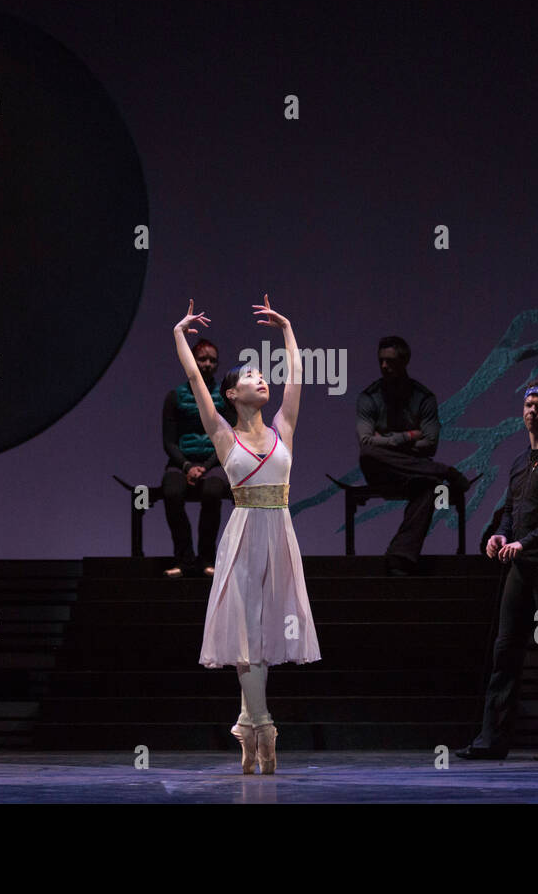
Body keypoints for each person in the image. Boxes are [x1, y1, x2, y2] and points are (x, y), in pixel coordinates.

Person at [173, 295, 320, 774]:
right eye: (251, 376)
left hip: (279, 532)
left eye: (263, 375)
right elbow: (196, 379)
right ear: (232, 394)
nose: (263, 379)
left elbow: (296, 376)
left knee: (266, 633)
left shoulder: (284, 427)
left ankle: (245, 723)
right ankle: (263, 725)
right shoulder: (221, 434)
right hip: (241, 536)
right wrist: (180, 333)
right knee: (244, 634)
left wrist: (288, 329)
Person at [456, 382, 538, 761]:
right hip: (522, 568)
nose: (532, 411)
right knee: (505, 650)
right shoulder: (519, 463)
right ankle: (491, 739)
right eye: (528, 405)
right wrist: (500, 534)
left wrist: (526, 542)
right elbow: (513, 511)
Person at [356, 336, 469, 576]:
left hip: (415, 473)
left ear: (404, 361)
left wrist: (386, 441)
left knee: (429, 488)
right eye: (381, 362)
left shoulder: (423, 398)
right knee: (368, 454)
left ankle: (400, 556)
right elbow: (366, 442)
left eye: (391, 361)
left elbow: (430, 445)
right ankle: (446, 471)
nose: (384, 366)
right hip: (383, 472)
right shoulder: (369, 397)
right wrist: (407, 437)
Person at [160, 338, 235, 577]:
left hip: (213, 463)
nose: (207, 364)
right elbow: (169, 441)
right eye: (202, 359)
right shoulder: (175, 396)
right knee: (171, 492)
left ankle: (206, 559)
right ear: (192, 361)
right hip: (181, 463)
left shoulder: (225, 397)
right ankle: (184, 558)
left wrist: (205, 466)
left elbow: (229, 438)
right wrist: (186, 465)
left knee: (213, 491)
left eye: (213, 360)